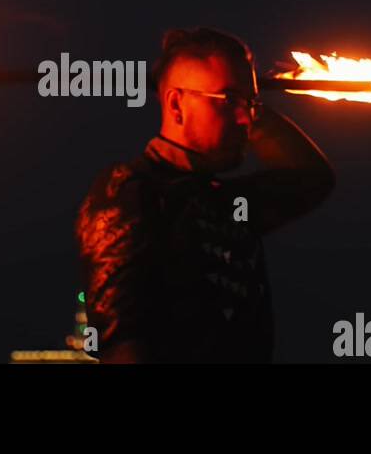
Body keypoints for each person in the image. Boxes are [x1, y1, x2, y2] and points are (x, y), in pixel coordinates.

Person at [75, 27, 335, 363]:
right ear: (175, 104)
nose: (245, 118)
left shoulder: (227, 203)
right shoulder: (131, 192)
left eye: (250, 104)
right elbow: (122, 341)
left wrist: (245, 104)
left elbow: (311, 177)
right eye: (228, 101)